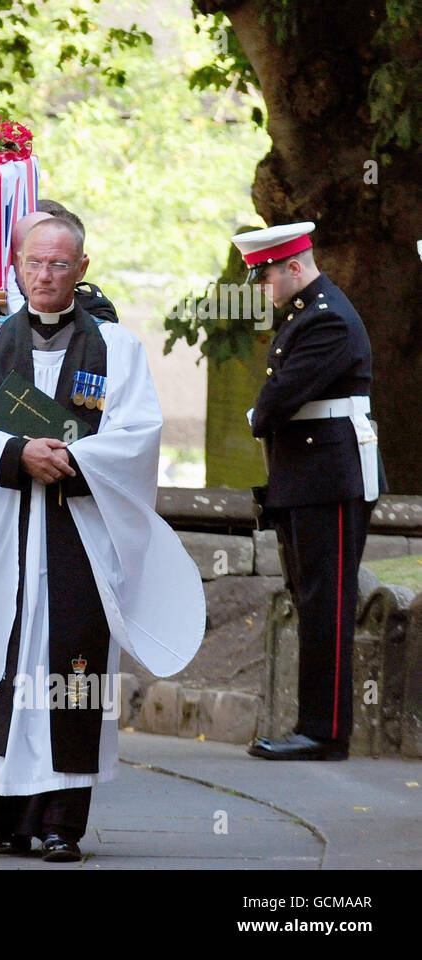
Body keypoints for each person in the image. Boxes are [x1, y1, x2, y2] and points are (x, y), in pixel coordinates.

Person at [0, 217, 204, 862]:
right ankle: (6, 818)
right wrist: (17, 454)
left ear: (82, 266)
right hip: (0, 536)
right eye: (35, 263)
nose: (46, 276)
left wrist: (70, 460)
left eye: (60, 265)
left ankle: (61, 822)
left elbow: (136, 437)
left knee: (70, 670)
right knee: (2, 661)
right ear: (16, 265)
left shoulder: (117, 348)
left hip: (79, 537)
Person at [234, 222, 383, 761]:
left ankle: (324, 732)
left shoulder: (326, 320)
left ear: (295, 267)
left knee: (328, 603)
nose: (261, 286)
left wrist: (259, 413)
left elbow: (281, 395)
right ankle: (315, 724)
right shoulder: (308, 313)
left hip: (331, 478)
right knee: (312, 598)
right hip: (309, 477)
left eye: (266, 273)